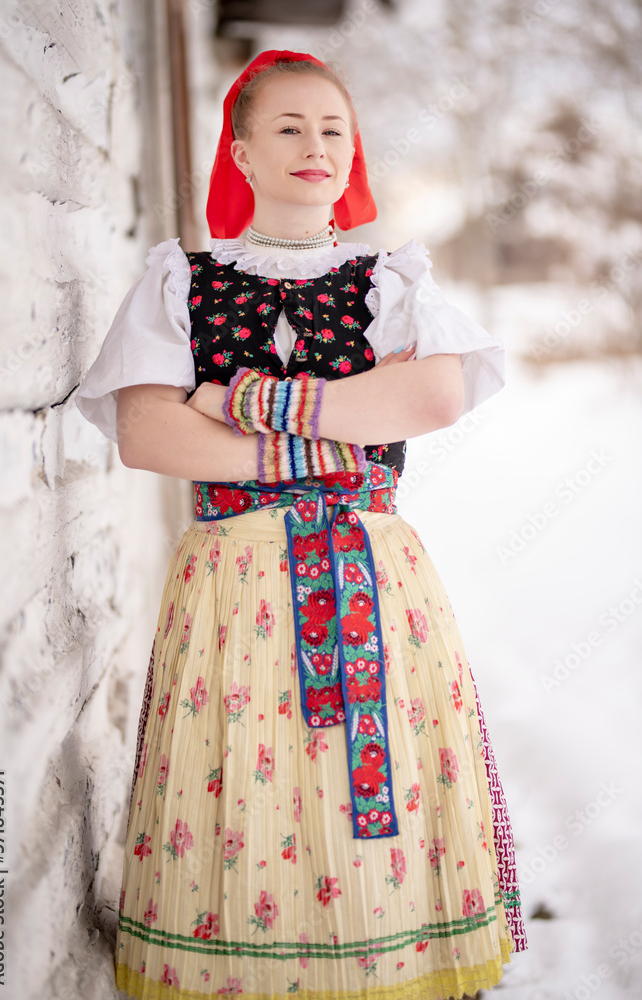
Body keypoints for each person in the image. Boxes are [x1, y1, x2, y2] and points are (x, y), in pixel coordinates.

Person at [75, 48, 527, 1000]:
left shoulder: (389, 280)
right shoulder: (182, 280)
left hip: (370, 566)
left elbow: (435, 395)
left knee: (377, 772)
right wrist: (333, 431)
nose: (314, 145)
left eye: (331, 129)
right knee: (249, 774)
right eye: (287, 127)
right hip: (233, 576)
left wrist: (239, 400)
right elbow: (149, 432)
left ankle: (385, 959)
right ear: (239, 152)